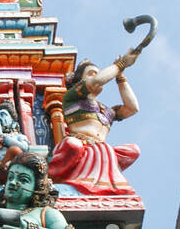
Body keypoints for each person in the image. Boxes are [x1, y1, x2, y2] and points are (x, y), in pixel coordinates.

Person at [47, 49, 141, 195]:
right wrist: (120, 64)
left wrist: (120, 77)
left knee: (133, 150)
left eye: (99, 72)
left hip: (102, 151)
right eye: (91, 73)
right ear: (79, 81)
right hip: (80, 147)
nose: (97, 76)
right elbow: (96, 81)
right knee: (74, 145)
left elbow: (132, 108)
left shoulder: (106, 110)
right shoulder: (72, 98)